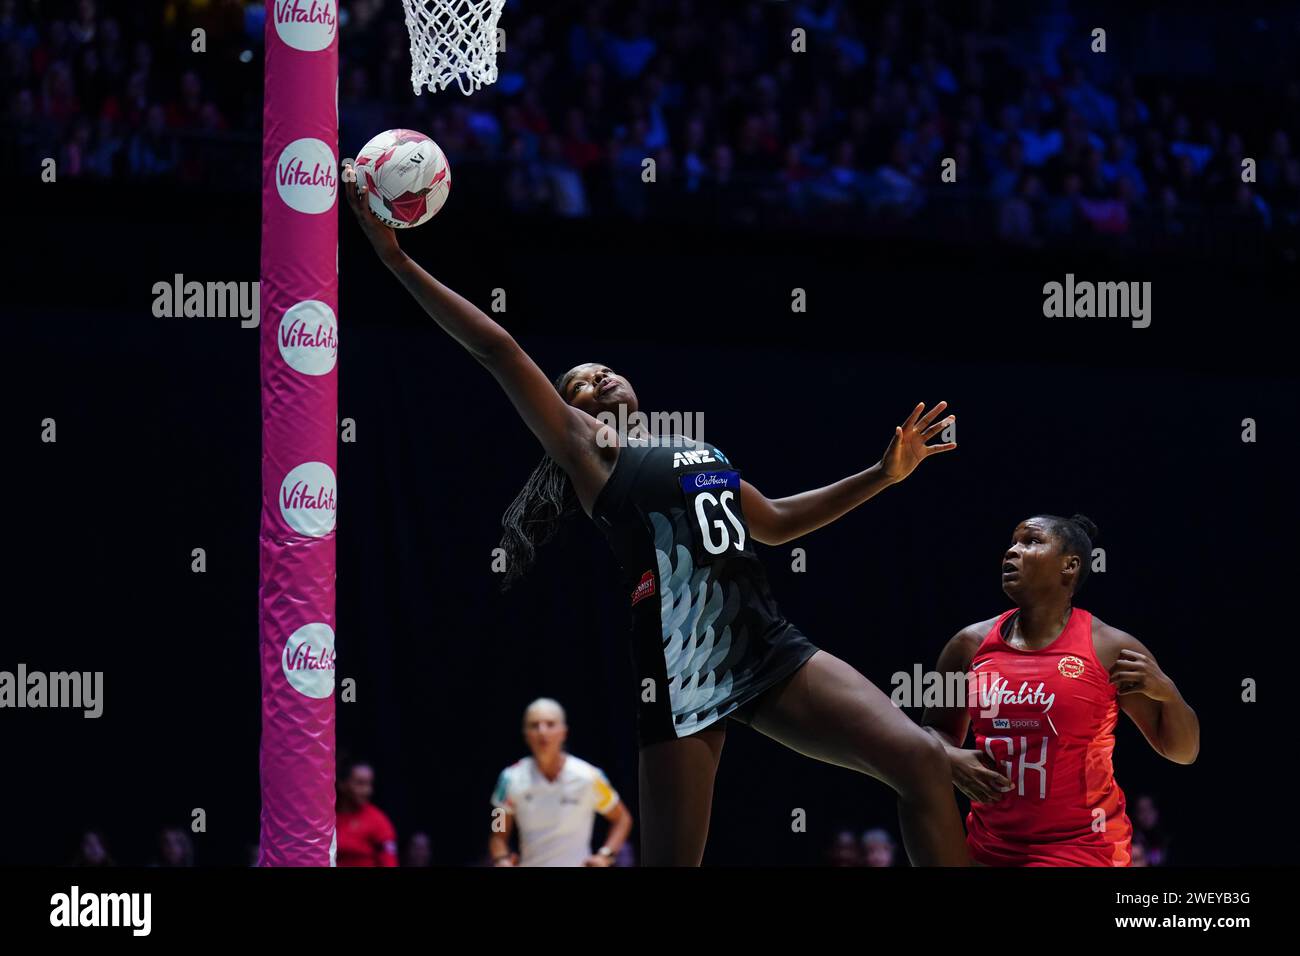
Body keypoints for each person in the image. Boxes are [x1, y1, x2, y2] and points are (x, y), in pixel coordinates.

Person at [342, 160, 969, 866]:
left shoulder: (695, 446)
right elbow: (498, 348)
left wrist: (883, 475)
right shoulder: (588, 453)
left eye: (602, 369)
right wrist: (395, 258)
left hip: (767, 643)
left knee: (920, 759)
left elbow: (778, 523)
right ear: (569, 412)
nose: (595, 377)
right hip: (681, 664)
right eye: (577, 383)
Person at [922, 515, 1199, 866]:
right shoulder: (967, 645)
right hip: (989, 849)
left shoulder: (1111, 648)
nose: (1011, 551)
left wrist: (1169, 693)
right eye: (1012, 542)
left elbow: (1183, 752)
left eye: (1031, 541)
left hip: (1085, 847)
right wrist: (950, 757)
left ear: (1070, 566)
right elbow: (933, 732)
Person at [488, 698, 633, 867]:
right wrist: (501, 858)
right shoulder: (510, 778)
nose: (542, 731)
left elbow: (622, 819)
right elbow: (498, 833)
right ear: (526, 734)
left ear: (564, 732)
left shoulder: (589, 777)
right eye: (534, 725)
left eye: (550, 724)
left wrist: (606, 854)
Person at [335, 760, 398, 867]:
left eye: (369, 784)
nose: (367, 790)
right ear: (342, 784)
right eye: (360, 783)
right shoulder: (327, 818)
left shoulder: (378, 820)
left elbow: (389, 861)